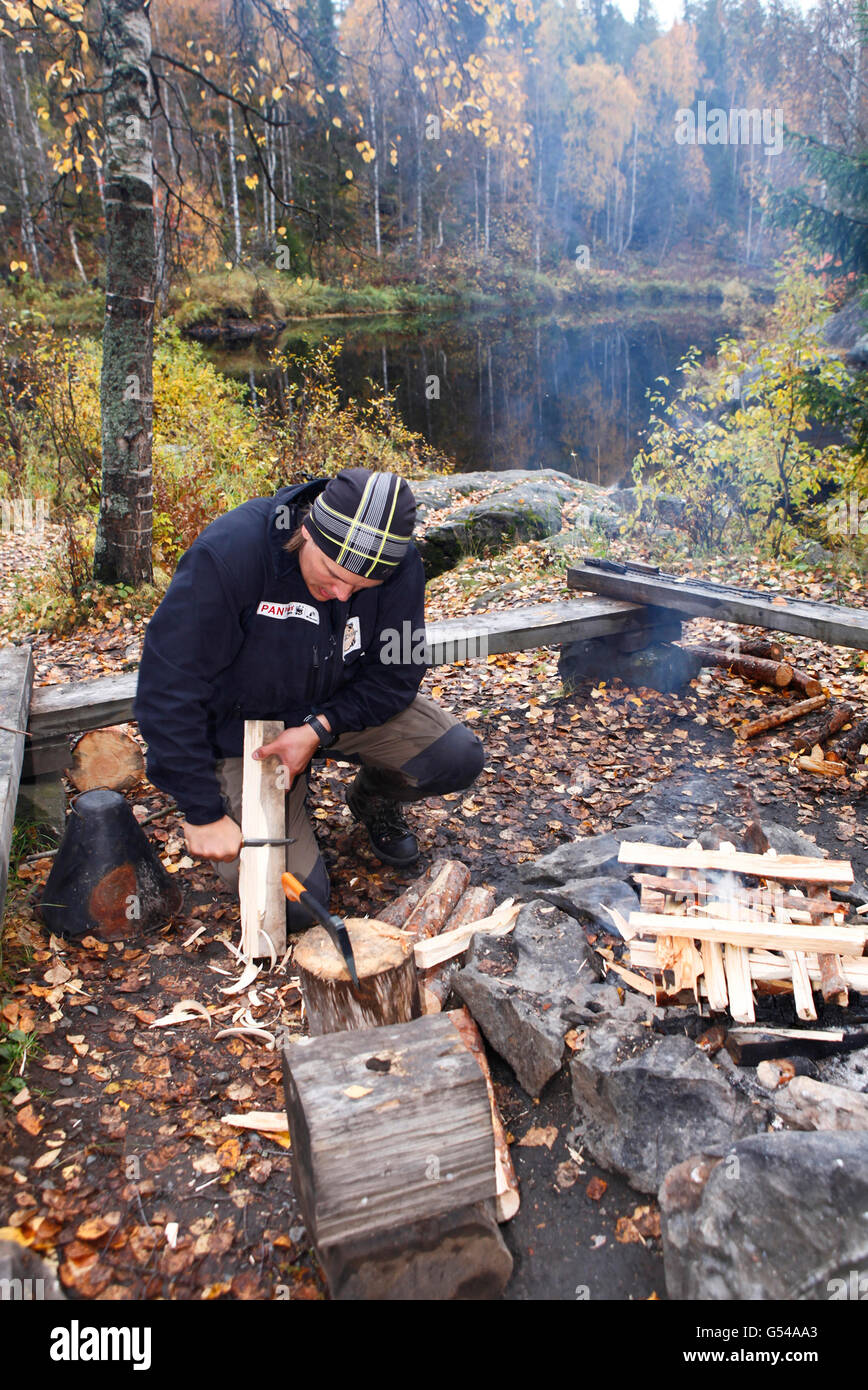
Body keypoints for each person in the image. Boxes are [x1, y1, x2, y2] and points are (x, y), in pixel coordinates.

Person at [134, 468, 485, 925]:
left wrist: (320, 728)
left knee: (455, 756)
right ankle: (277, 811)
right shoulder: (231, 555)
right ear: (306, 531)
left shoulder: (401, 567)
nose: (341, 595)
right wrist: (202, 812)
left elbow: (398, 673)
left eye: (360, 590)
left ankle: (373, 799)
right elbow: (167, 687)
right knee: (296, 904)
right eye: (333, 575)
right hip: (245, 734)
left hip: (334, 708)